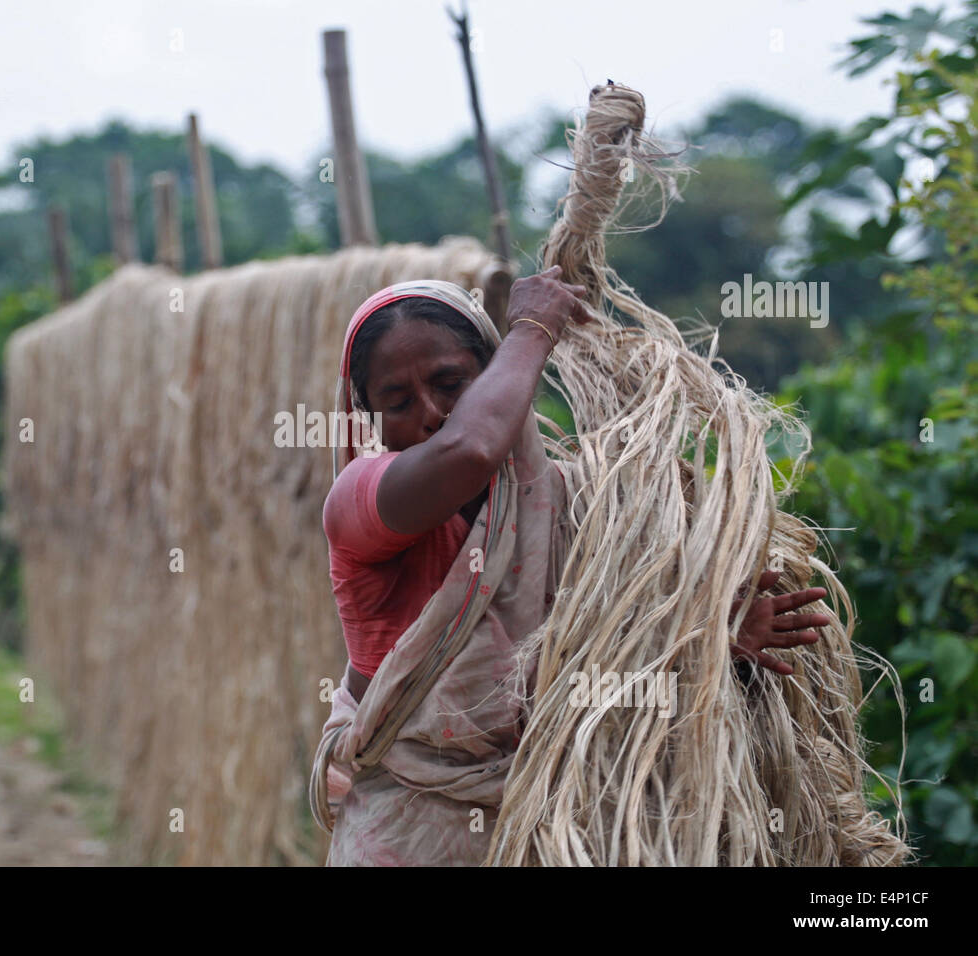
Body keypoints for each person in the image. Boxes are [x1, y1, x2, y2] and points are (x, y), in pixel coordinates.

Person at [309, 268, 831, 865]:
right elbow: (472, 449)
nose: (431, 414)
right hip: (406, 838)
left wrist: (709, 640)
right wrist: (532, 328)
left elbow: (589, 674)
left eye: (452, 383)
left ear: (490, 377)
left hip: (547, 832)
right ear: (366, 416)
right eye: (397, 402)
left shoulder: (569, 505)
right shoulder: (358, 504)